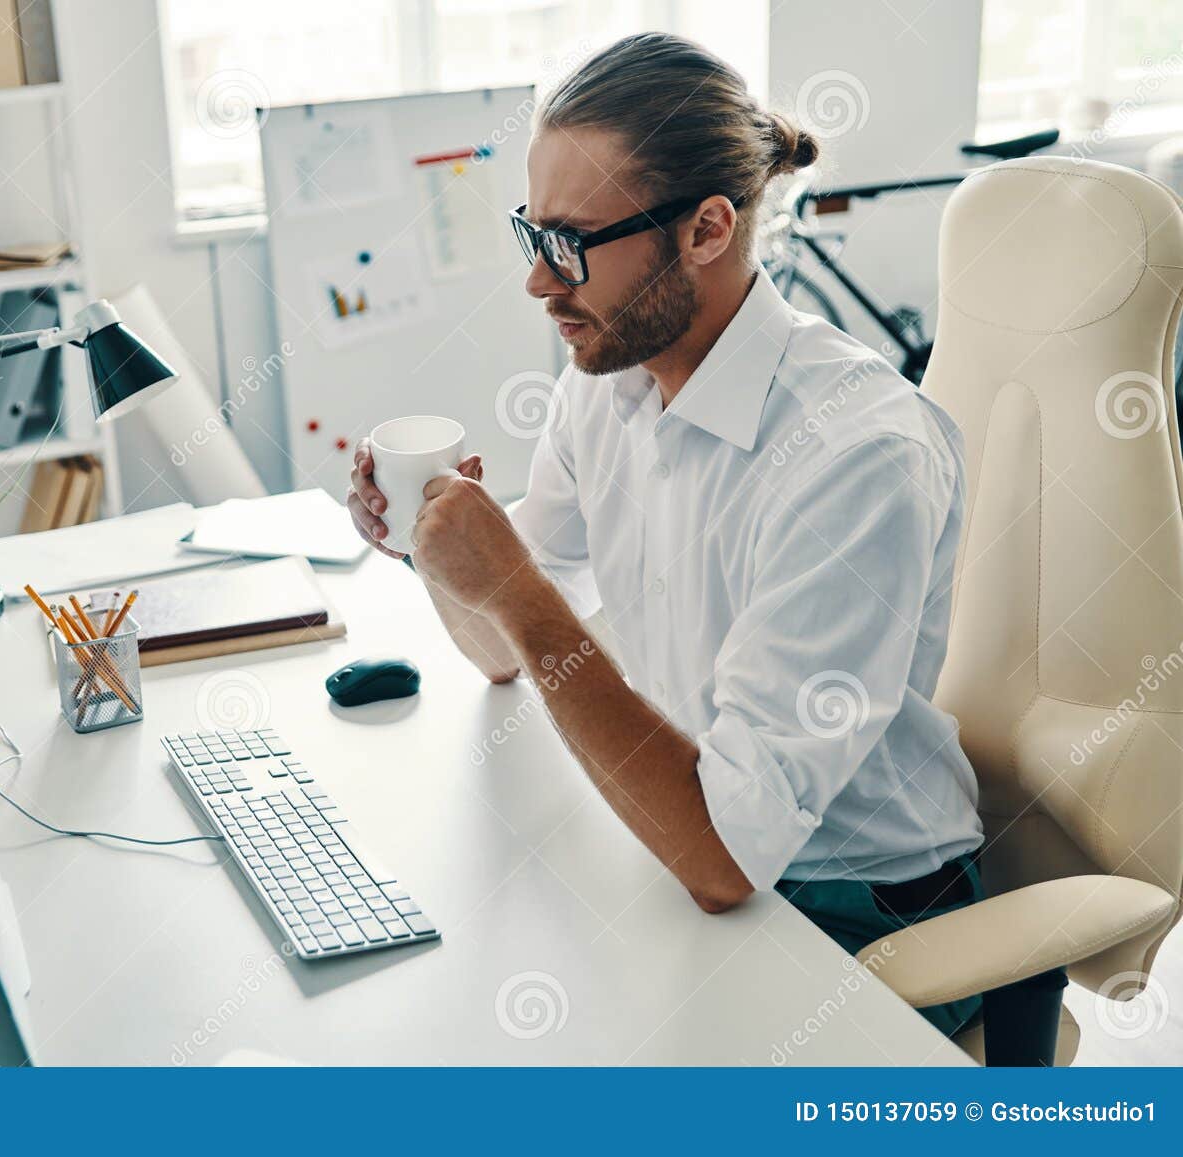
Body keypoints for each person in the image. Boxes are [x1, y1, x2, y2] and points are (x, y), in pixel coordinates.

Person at [345, 33, 1000, 1041]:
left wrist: (513, 585)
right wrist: (436, 553)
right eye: (532, 233)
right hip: (694, 833)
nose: (538, 282)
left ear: (704, 229)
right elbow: (497, 655)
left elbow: (724, 863)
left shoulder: (855, 453)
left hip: (857, 905)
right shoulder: (605, 382)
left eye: (571, 242)